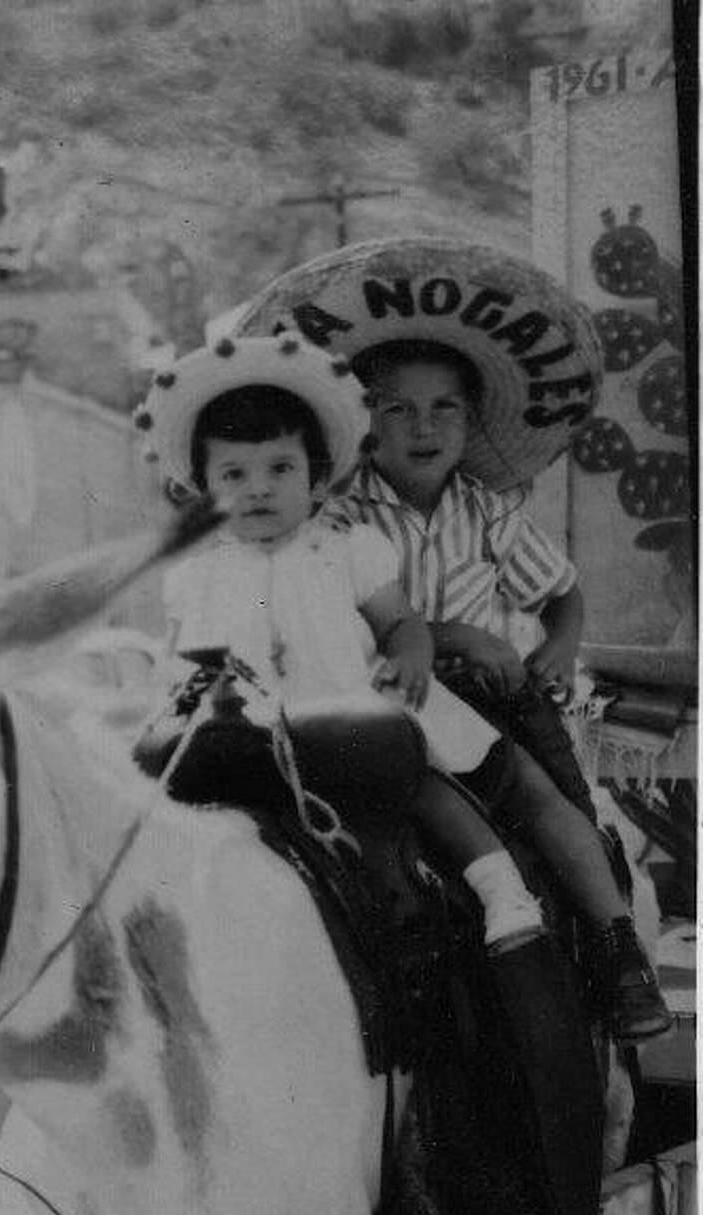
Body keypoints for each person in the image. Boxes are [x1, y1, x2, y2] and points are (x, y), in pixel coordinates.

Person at [133, 332, 625, 1215]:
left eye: (276, 473)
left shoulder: (347, 540)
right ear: (207, 486)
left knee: (421, 772)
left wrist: (410, 658)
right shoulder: (194, 568)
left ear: (314, 476)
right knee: (147, 795)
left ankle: (508, 894)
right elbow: (184, 664)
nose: (256, 494)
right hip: (250, 735)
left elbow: (401, 624)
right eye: (234, 476)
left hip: (349, 720)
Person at [236, 236, 671, 1044]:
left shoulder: (486, 508)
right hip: (378, 689)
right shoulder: (339, 514)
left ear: (470, 421)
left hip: (482, 697)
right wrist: (454, 632)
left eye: (443, 408)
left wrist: (559, 646)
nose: (422, 425)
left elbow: (563, 592)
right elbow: (336, 617)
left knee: (550, 802)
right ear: (363, 423)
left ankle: (617, 952)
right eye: (397, 408)